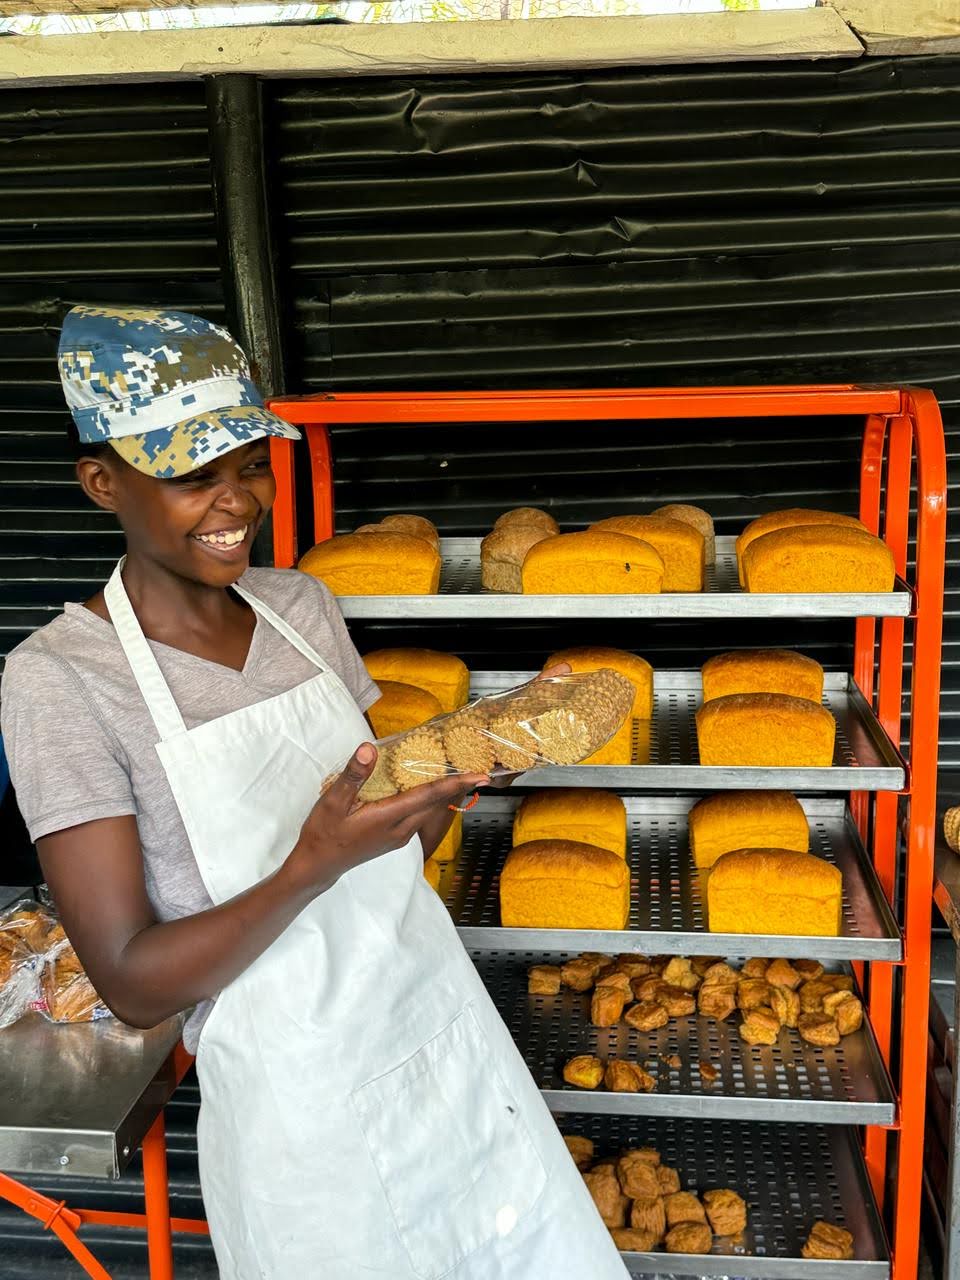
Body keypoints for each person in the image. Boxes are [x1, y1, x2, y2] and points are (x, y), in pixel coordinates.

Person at [1, 306, 627, 1279]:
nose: (235, 500)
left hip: (446, 1045)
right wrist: (312, 859)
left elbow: (392, 847)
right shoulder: (60, 678)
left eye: (248, 463)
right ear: (101, 481)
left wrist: (458, 772)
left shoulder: (302, 606)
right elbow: (129, 975)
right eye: (190, 472)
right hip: (307, 1126)